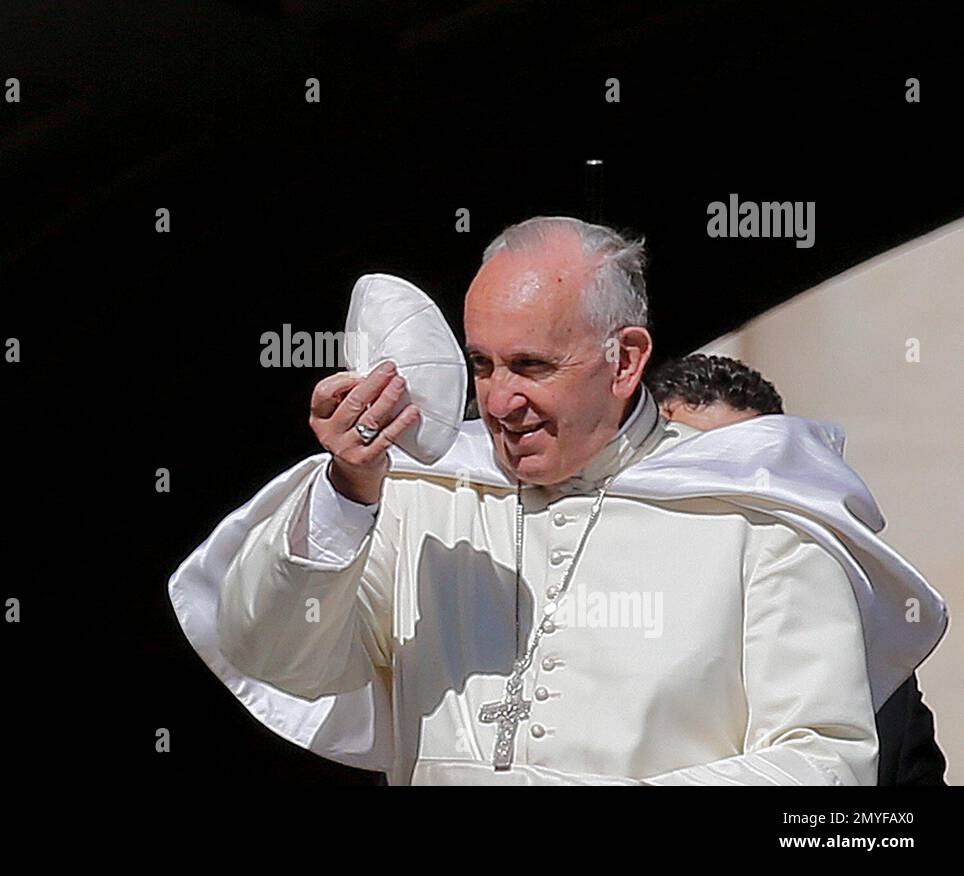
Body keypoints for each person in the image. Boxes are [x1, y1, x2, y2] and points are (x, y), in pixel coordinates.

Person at [169, 215, 947, 785]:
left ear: (624, 360)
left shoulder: (756, 512)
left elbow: (825, 763)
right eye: (482, 366)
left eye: (532, 366)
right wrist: (348, 491)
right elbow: (276, 655)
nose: (500, 401)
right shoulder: (424, 500)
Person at [647, 352, 948, 786]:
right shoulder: (580, 621)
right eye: (691, 478)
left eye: (746, 481)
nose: (723, 505)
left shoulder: (869, 672)